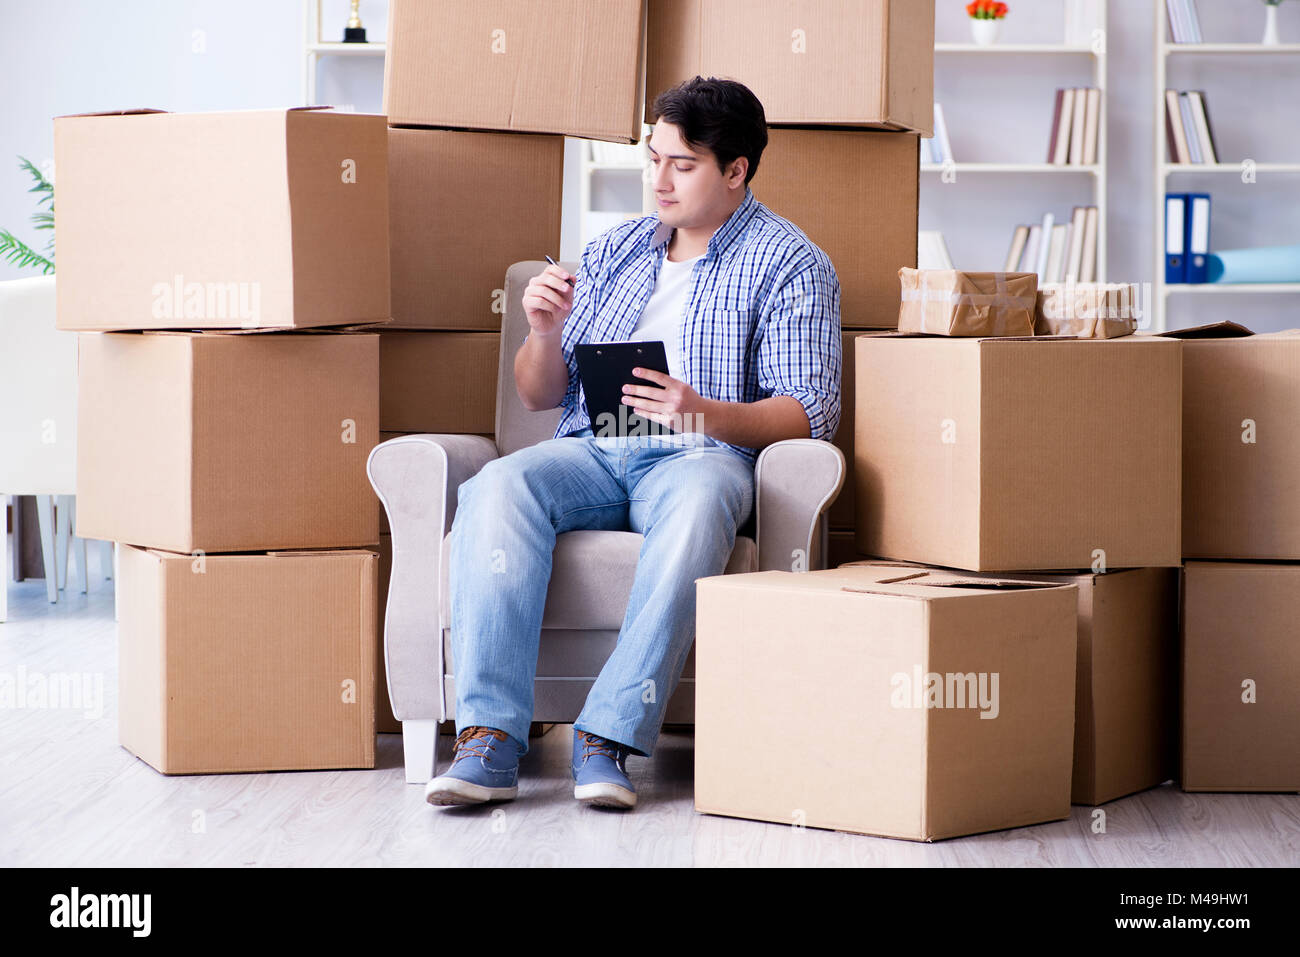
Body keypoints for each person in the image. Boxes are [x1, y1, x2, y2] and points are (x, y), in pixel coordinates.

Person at [425, 76, 842, 810]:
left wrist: (701, 411)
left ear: (736, 168)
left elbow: (810, 412)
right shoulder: (615, 248)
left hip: (698, 455)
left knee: (702, 502)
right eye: (653, 159)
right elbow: (538, 394)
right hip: (595, 446)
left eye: (682, 165)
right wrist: (544, 332)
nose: (659, 180)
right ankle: (488, 736)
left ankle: (607, 736)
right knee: (495, 484)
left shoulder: (792, 263)